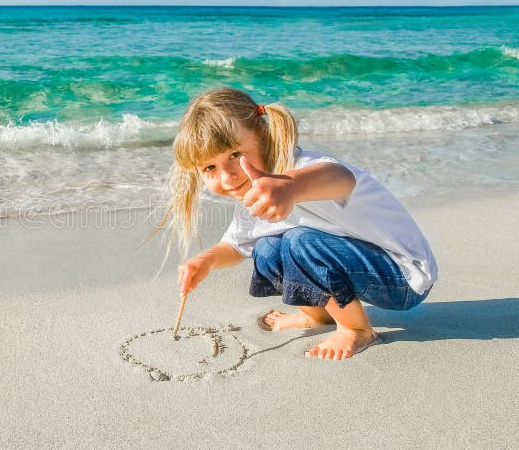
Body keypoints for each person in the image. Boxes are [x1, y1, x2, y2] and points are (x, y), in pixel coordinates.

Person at [158, 87, 437, 360]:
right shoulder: (253, 198)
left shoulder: (304, 168)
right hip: (362, 267)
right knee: (267, 248)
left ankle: (355, 328)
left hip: (402, 277)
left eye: (234, 155)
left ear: (263, 135)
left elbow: (341, 178)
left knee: (299, 241)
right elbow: (234, 245)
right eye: (210, 168)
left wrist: (290, 187)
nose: (228, 176)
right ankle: (316, 315)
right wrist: (204, 261)